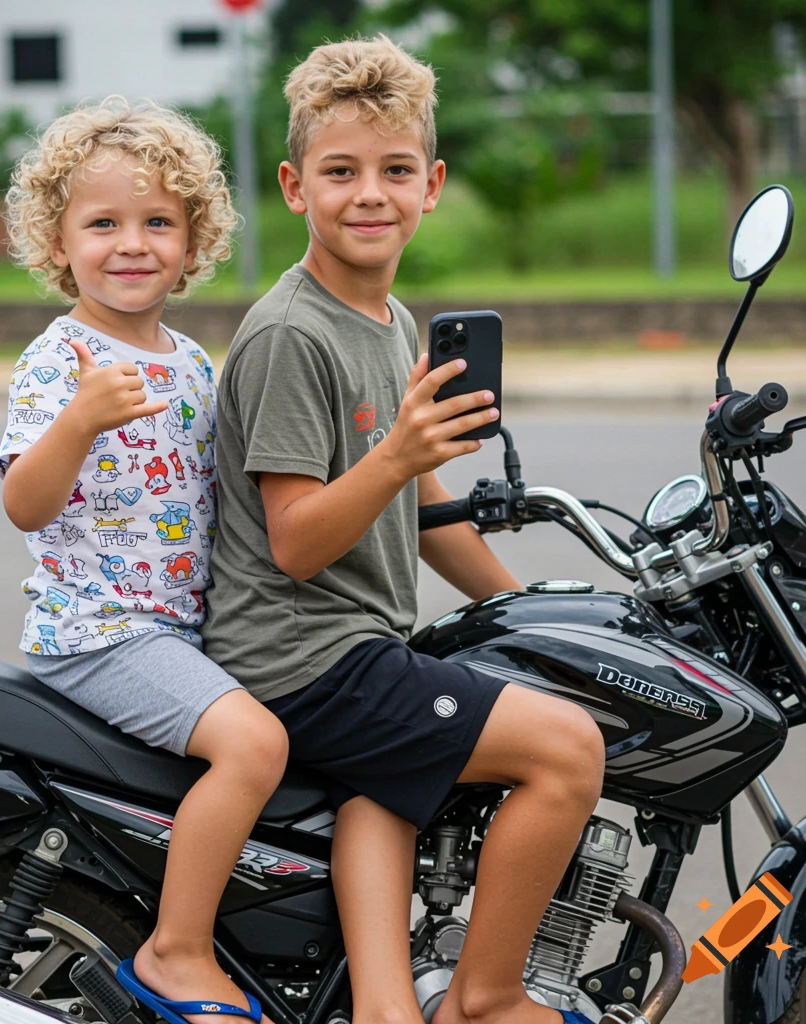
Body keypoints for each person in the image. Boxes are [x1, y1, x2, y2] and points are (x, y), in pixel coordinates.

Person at [204, 38, 606, 1024]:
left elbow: (419, 509)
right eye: (340, 172)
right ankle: (487, 995)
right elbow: (296, 539)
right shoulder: (292, 333)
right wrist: (395, 452)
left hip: (353, 646)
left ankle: (386, 1007)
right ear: (296, 188)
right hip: (303, 661)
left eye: (392, 171)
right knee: (567, 749)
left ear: (430, 186)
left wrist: (525, 602)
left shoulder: (384, 320)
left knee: (402, 784)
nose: (368, 194)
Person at [0, 97, 285, 1024]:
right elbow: (24, 506)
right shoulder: (59, 361)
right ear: (58, 242)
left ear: (193, 240)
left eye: (158, 222)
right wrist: (77, 420)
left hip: (183, 629)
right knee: (254, 745)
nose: (132, 244)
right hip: (100, 631)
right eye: (103, 223)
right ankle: (176, 948)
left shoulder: (194, 361)